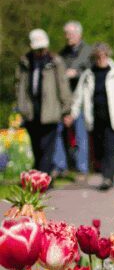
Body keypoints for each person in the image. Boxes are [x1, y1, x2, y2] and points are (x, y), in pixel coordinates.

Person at [67, 43, 114, 190]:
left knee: (110, 148)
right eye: (98, 57)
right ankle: (109, 171)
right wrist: (72, 113)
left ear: (108, 56)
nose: (101, 59)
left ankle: (108, 178)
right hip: (95, 119)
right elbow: (78, 97)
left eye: (104, 56)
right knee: (99, 151)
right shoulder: (88, 75)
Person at [15, 29, 72, 176]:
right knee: (36, 147)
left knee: (48, 148)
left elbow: (63, 85)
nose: (40, 51)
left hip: (50, 111)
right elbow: (19, 86)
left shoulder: (55, 62)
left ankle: (42, 179)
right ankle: (44, 176)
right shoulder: (25, 62)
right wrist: (22, 108)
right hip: (31, 111)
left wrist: (66, 110)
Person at [54, 21, 92, 180]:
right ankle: (59, 166)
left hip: (81, 100)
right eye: (66, 33)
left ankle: (82, 169)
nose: (67, 36)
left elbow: (91, 73)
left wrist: (75, 73)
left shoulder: (89, 52)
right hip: (63, 101)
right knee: (57, 131)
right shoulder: (61, 54)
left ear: (79, 34)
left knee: (81, 133)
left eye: (70, 33)